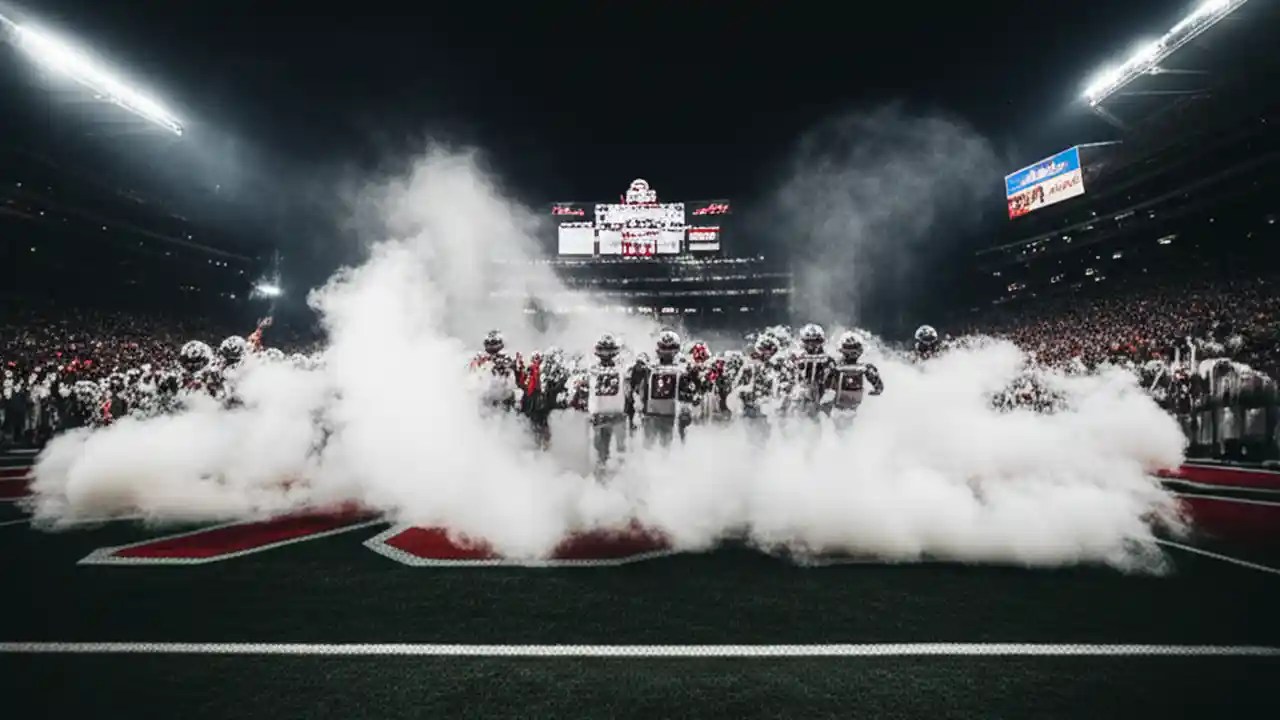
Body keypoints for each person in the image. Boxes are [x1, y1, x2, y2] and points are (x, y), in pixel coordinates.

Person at [630, 330, 683, 448]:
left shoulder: (682, 369)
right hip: (651, 414)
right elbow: (636, 386)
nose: (667, 351)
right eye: (664, 347)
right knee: (648, 446)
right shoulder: (649, 368)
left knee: (667, 446)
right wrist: (637, 369)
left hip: (671, 414)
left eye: (670, 348)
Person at [822, 331, 883, 430]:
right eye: (848, 349)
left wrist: (877, 389)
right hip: (839, 404)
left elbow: (825, 382)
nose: (850, 353)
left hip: (852, 407)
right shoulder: (836, 365)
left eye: (853, 350)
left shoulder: (863, 367)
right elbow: (825, 381)